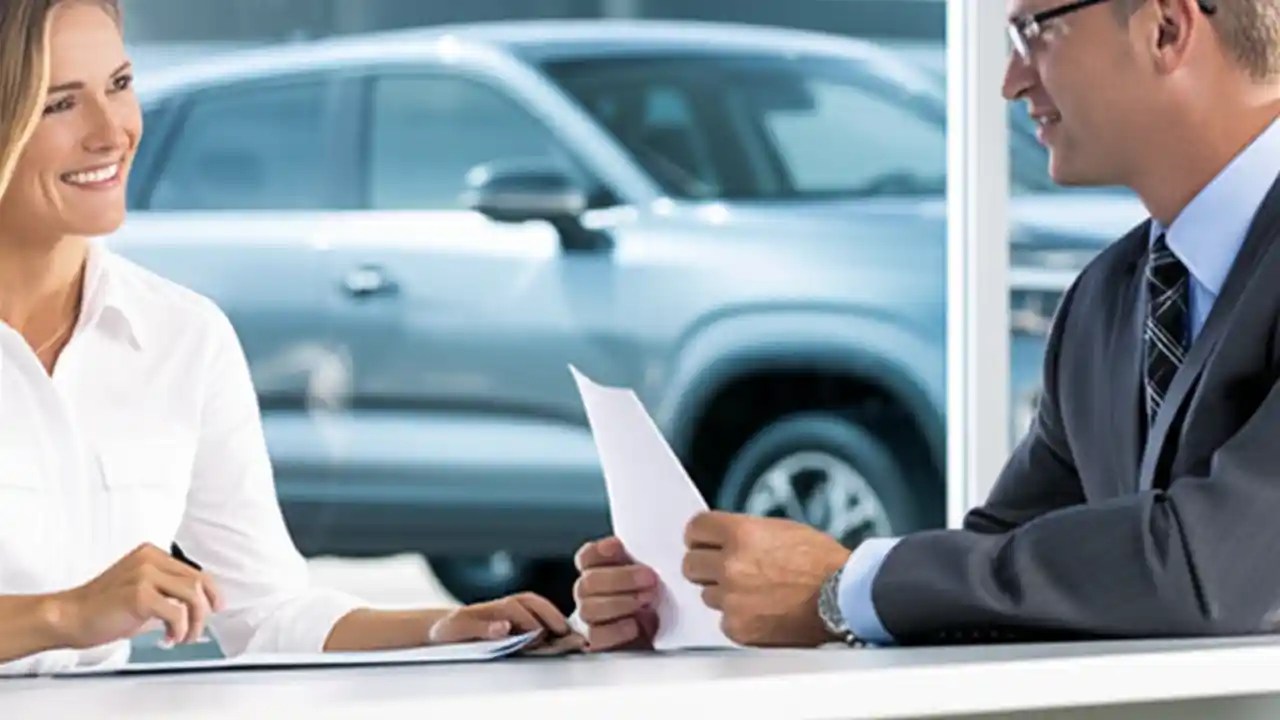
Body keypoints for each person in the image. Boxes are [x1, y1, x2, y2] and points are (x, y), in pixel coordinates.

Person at [574, 0, 1280, 650]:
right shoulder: (1106, 299)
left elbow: (1214, 568)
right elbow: (1002, 564)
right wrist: (717, 599)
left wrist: (842, 590)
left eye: (1035, 30)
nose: (1011, 80)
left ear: (1165, 27)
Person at [0, 0, 582, 676]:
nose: (112, 132)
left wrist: (447, 628)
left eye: (120, 86)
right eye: (59, 104)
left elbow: (269, 613)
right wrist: (61, 615)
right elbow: (73, 614)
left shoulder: (182, 337)